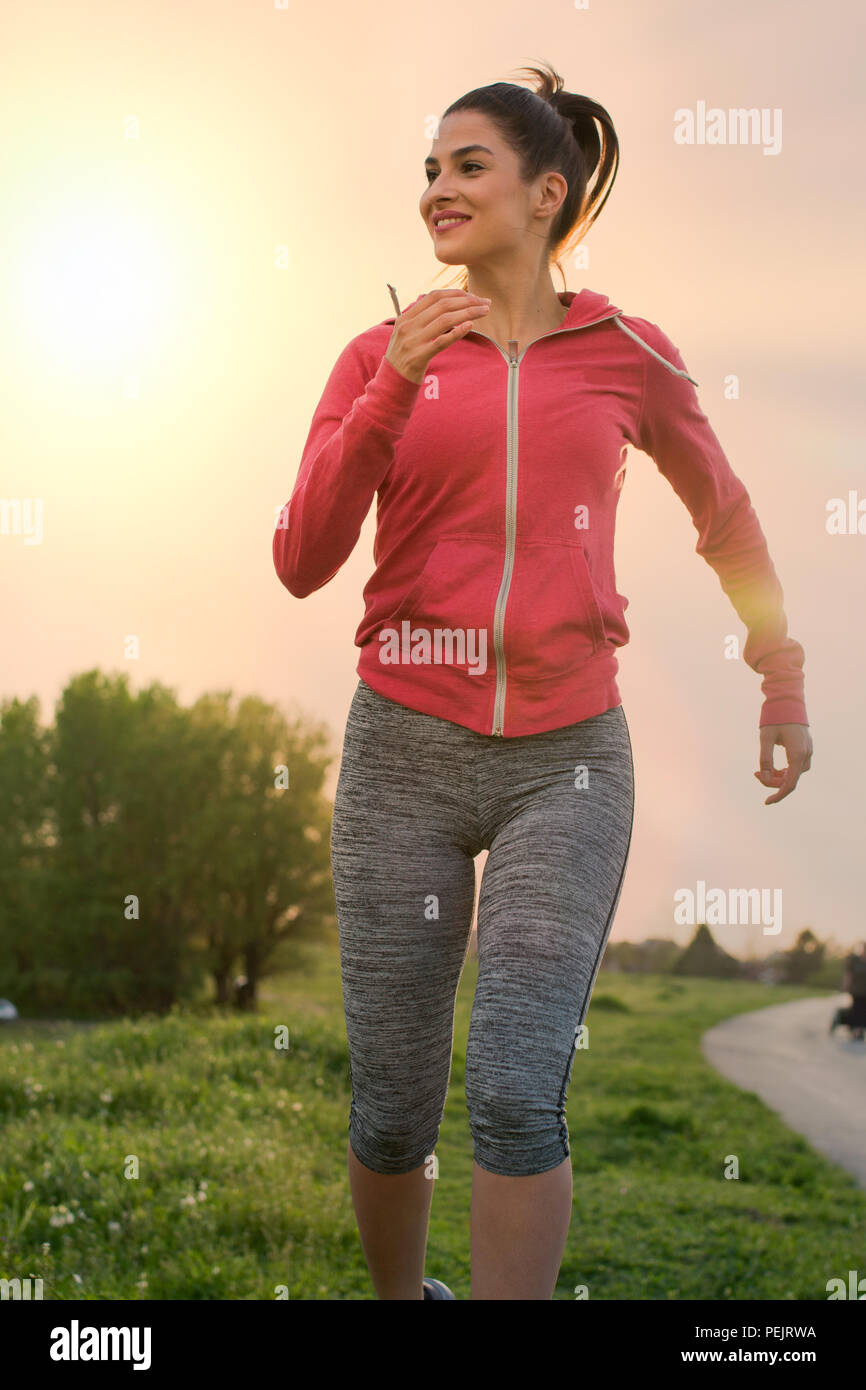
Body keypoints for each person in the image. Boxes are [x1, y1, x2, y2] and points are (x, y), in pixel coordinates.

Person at [272, 62, 813, 1301]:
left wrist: (777, 678)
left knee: (517, 1085)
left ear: (544, 191)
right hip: (403, 747)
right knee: (396, 1100)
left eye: (467, 166)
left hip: (565, 760)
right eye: (427, 169)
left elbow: (724, 518)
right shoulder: (377, 350)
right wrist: (392, 385)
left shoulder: (629, 355)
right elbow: (301, 557)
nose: (435, 192)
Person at [830, 942, 866, 1040]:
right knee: (857, 1009)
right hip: (856, 990)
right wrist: (846, 986)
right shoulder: (855, 960)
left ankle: (859, 1029)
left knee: (863, 1010)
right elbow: (848, 974)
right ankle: (856, 1030)